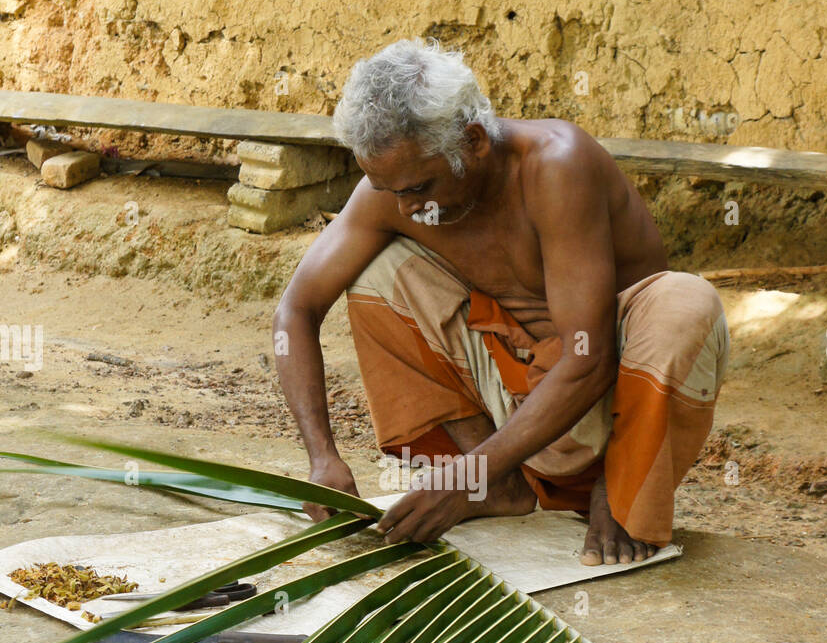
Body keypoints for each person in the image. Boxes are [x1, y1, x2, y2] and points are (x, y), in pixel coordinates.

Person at [273, 38, 729, 565]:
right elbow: (296, 311)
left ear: (473, 141)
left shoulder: (557, 165)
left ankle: (619, 489)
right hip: (518, 407)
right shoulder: (396, 192)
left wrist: (464, 477)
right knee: (377, 273)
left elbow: (590, 358)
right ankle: (499, 483)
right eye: (389, 189)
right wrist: (322, 457)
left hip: (608, 394)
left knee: (686, 301)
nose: (406, 207)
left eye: (419, 186)